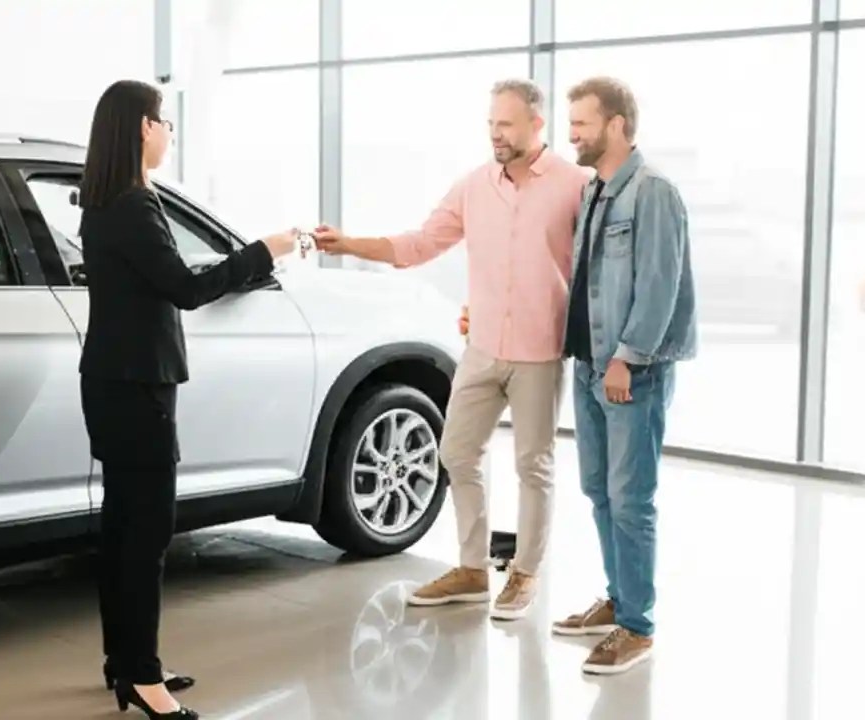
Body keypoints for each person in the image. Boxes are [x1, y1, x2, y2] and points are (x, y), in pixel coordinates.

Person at [312, 79, 590, 620]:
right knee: (456, 452)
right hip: (483, 348)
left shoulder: (574, 184)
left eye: (505, 124)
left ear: (537, 125)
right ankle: (472, 568)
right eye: (491, 124)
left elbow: (594, 268)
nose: (495, 134)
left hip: (539, 350)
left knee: (534, 465)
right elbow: (418, 244)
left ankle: (526, 573)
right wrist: (346, 243)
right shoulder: (473, 186)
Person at [76, 79, 299, 718]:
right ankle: (143, 679)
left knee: (124, 529)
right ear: (142, 128)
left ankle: (126, 663)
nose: (170, 131)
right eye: (164, 120)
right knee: (145, 534)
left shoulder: (108, 200)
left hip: (116, 382)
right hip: (136, 387)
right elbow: (185, 289)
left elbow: (162, 285)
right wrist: (264, 251)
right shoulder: (131, 205)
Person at [550, 76, 697, 675]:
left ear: (617, 125)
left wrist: (627, 358)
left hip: (629, 369)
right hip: (591, 362)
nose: (572, 133)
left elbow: (660, 286)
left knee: (631, 500)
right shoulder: (595, 190)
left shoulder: (653, 191)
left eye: (582, 123)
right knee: (599, 492)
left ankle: (637, 627)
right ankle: (618, 599)